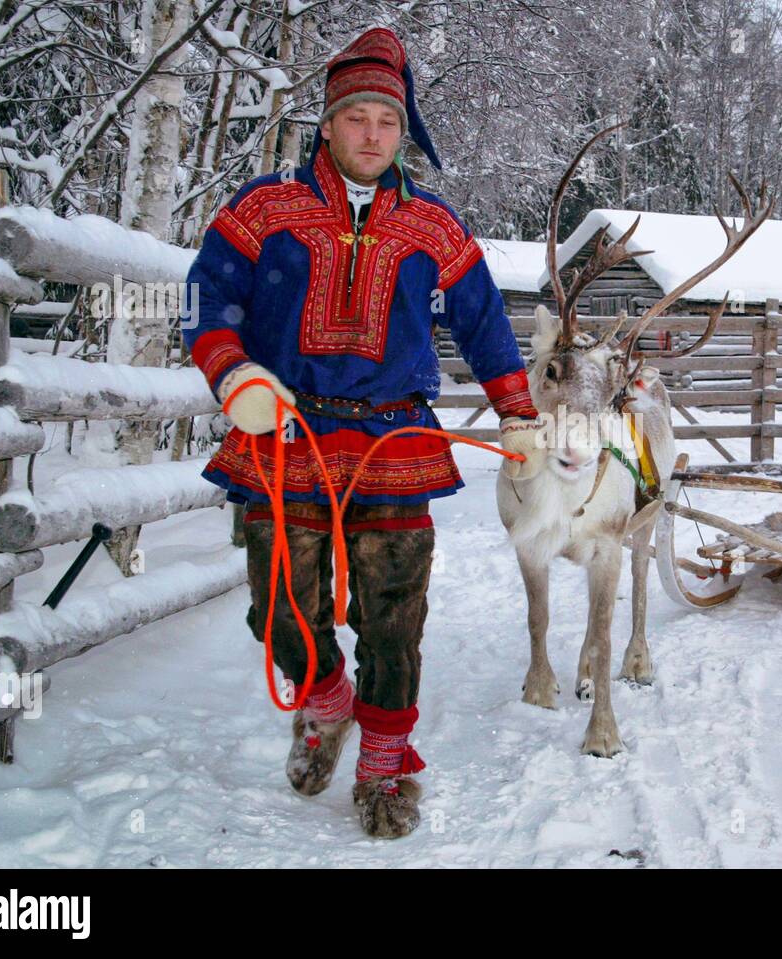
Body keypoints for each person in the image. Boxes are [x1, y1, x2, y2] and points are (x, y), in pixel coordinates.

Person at [182, 25, 545, 839]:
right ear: (329, 121)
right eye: (357, 119)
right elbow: (206, 300)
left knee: (393, 612)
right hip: (285, 431)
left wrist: (517, 411)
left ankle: (385, 759)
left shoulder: (435, 228)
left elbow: (484, 325)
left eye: (387, 119)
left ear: (401, 128)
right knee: (277, 604)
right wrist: (233, 372)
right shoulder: (263, 209)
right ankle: (325, 698)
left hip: (396, 441)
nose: (373, 134)